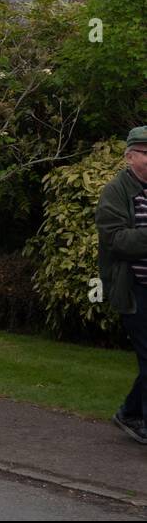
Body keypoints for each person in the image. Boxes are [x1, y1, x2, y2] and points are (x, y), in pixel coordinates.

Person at [96, 125, 147, 444]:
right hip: (135, 290)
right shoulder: (115, 191)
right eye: (146, 152)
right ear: (130, 157)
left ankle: (129, 412)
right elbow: (115, 240)